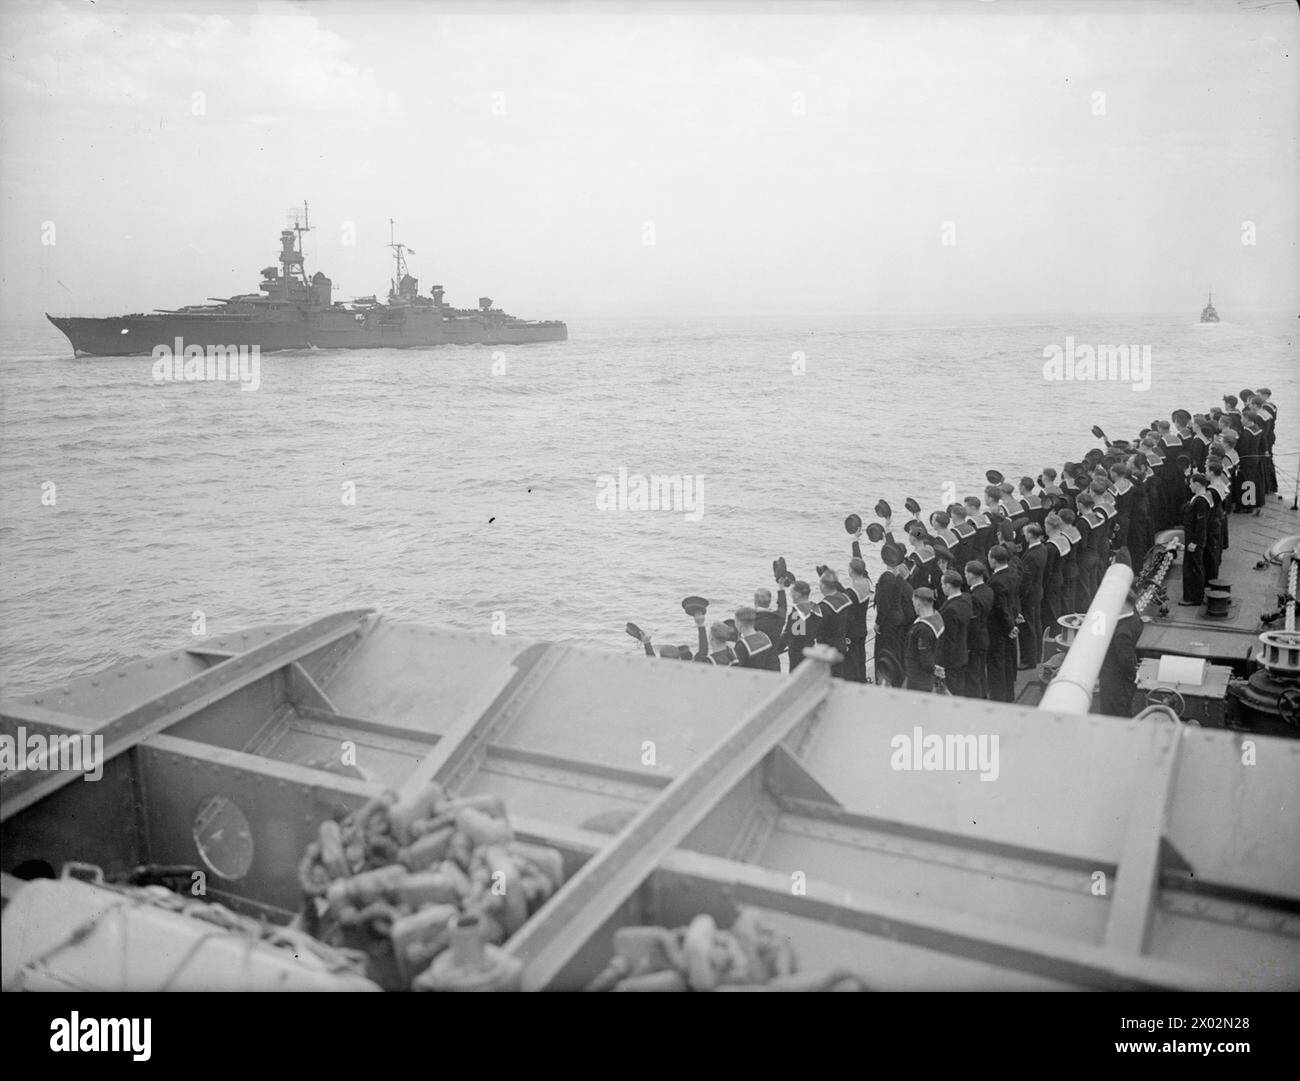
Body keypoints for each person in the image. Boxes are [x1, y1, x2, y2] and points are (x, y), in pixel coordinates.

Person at [1097, 590, 1143, 717]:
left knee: (1112, 713)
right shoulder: (1135, 618)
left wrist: (1132, 676)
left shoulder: (1122, 633)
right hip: (1121, 681)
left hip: (1114, 682)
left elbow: (1125, 660)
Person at [873, 544, 915, 678]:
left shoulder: (886, 578)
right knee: (895, 649)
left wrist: (877, 623)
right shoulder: (898, 577)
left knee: (884, 649)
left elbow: (884, 604)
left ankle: (886, 676)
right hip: (898, 618)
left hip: (889, 621)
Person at [986, 544, 1020, 702]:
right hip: (1010, 622)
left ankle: (998, 697)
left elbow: (1000, 607)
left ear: (993, 560)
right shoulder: (1012, 574)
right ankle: (1008, 695)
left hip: (1000, 629)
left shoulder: (996, 582)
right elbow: (1013, 599)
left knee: (997, 664)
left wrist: (1009, 626)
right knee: (1007, 661)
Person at [1018, 523, 1048, 668]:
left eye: (1025, 533)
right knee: (1036, 624)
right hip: (1038, 592)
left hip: (1029, 596)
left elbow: (1025, 581)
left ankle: (1029, 660)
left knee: (1028, 627)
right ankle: (1036, 654)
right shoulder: (1042, 549)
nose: (1024, 535)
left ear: (1030, 535)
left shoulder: (1030, 555)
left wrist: (1020, 597)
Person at [1180, 472, 1212, 606]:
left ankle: (1194, 597)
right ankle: (1195, 595)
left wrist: (1195, 542)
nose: (1189, 486)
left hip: (1194, 540)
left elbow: (1201, 523)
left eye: (1191, 483)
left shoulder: (1200, 501)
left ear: (1197, 484)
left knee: (1193, 567)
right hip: (1193, 537)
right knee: (1194, 566)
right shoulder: (1204, 497)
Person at [903, 587, 944, 692]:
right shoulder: (936, 617)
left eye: (913, 601)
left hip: (918, 678)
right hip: (928, 675)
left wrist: (933, 668)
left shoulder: (922, 629)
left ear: (918, 603)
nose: (913, 605)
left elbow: (925, 658)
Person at [841, 557, 874, 683]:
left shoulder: (852, 591)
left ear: (852, 571)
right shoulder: (866, 583)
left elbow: (848, 615)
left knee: (851, 662)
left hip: (852, 632)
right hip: (862, 627)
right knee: (861, 658)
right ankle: (861, 680)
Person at [964, 561, 994, 699]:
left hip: (975, 641)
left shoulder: (974, 597)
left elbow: (973, 624)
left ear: (971, 575)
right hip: (984, 636)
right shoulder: (988, 590)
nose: (965, 576)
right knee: (981, 671)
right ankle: (983, 696)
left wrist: (968, 644)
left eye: (966, 573)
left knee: (973, 674)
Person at [938, 570, 971, 695]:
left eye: (942, 584)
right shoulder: (966, 600)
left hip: (951, 660)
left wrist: (940, 663)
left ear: (948, 586)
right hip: (962, 652)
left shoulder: (949, 610)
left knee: (951, 691)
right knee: (960, 688)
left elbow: (948, 639)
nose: (941, 587)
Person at [779, 580, 821, 670]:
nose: (790, 594)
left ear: (797, 595)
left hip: (797, 656)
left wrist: (775, 650)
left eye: (791, 592)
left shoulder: (797, 614)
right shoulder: (816, 609)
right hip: (810, 651)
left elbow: (788, 636)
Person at [816, 571, 852, 678]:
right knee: (839, 675)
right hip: (841, 642)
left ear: (823, 586)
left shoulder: (824, 607)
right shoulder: (845, 598)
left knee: (829, 678)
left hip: (828, 648)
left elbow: (819, 630)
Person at [733, 607, 778, 671]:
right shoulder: (765, 637)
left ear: (739, 623)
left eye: (735, 621)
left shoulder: (742, 645)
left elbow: (737, 669)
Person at [753, 586, 787, 668]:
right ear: (770, 601)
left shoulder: (751, 620)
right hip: (774, 663)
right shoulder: (778, 617)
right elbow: (783, 607)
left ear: (755, 601)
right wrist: (781, 588)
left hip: (758, 664)